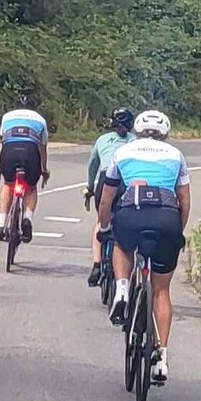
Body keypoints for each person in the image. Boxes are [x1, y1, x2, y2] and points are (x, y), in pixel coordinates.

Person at [98, 110, 191, 384]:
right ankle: (161, 358)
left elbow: (106, 200)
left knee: (121, 244)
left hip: (132, 212)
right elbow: (184, 201)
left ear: (138, 131)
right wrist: (179, 232)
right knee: (162, 291)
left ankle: (123, 290)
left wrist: (105, 228)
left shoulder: (123, 152)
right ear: (165, 133)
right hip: (166, 218)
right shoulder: (176, 155)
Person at [83, 108, 135, 287]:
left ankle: (97, 265)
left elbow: (92, 166)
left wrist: (89, 187)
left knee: (101, 222)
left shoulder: (102, 140)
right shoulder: (135, 141)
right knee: (126, 222)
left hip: (106, 180)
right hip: (126, 182)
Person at [0, 94, 50, 243]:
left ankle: (1, 225)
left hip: (9, 153)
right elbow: (42, 149)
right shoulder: (40, 120)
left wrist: (0, 165)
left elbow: (5, 141)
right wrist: (44, 169)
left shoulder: (7, 117)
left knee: (8, 184)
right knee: (31, 187)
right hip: (30, 153)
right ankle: (27, 219)